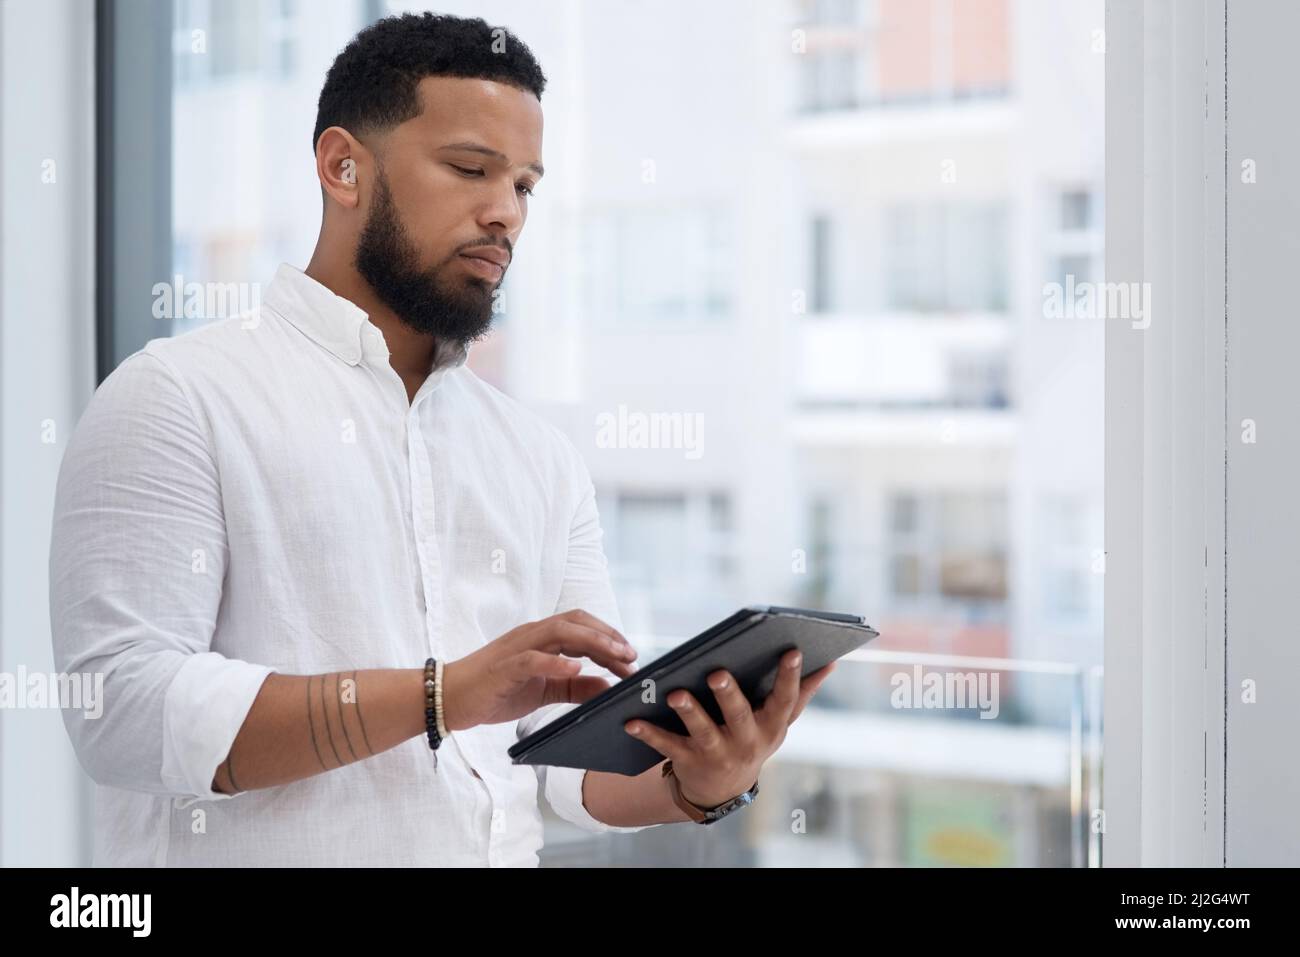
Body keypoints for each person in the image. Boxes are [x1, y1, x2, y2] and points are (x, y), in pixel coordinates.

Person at [49, 12, 834, 867]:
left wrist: (706, 776)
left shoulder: (535, 457)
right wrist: (441, 696)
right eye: (470, 169)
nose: (505, 214)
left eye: (526, 186)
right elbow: (121, 712)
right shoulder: (176, 399)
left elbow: (572, 766)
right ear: (342, 166)